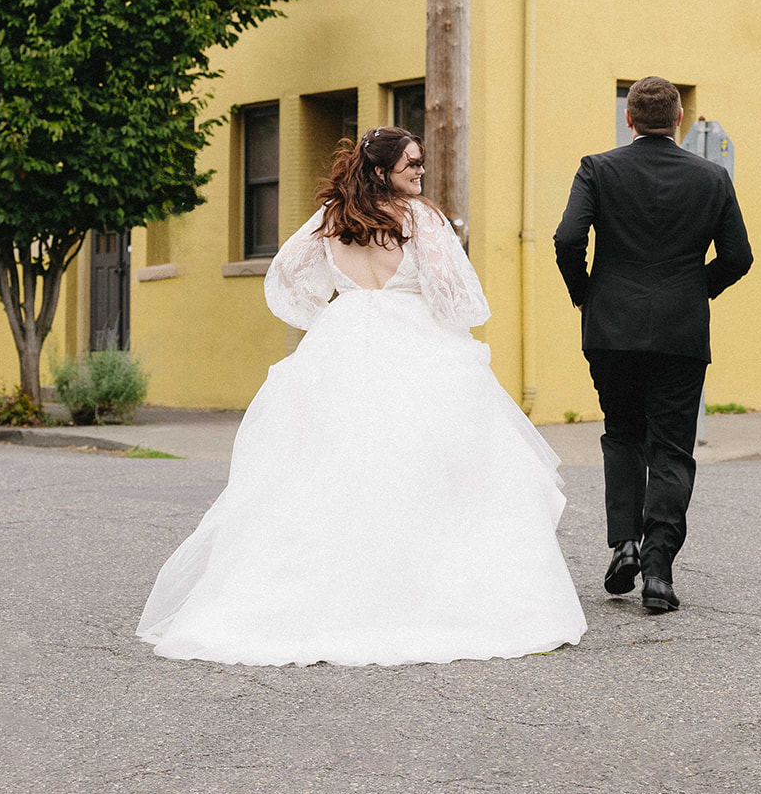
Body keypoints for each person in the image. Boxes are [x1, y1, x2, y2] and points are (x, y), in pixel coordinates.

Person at [138, 125, 586, 667]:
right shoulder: (421, 220)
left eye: (421, 163)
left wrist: (332, 312)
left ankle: (327, 596)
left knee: (334, 469)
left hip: (342, 339)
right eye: (410, 165)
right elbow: (457, 301)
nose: (420, 172)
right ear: (381, 171)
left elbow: (284, 278)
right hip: (413, 342)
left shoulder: (331, 219)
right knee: (426, 471)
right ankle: (424, 596)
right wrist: (445, 322)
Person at [553, 76, 753, 614]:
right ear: (680, 119)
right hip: (680, 331)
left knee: (622, 433)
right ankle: (659, 570)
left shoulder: (597, 169)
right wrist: (694, 290)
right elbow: (739, 256)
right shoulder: (712, 177)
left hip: (611, 327)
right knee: (670, 446)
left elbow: (568, 238)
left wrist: (585, 295)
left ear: (630, 119)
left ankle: (624, 545)